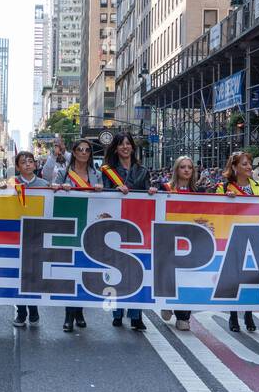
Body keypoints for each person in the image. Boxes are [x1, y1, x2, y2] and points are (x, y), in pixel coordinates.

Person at [46, 138, 103, 332]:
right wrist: (59, 188)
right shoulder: (63, 172)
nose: (84, 153)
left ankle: (78, 311)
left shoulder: (96, 174)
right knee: (70, 271)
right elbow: (50, 187)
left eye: (87, 150)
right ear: (74, 152)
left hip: (90, 228)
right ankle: (69, 315)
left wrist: (101, 192)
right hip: (69, 226)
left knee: (83, 271)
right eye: (80, 149)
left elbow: (106, 198)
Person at [102, 133, 155, 332]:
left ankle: (136, 315)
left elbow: (149, 191)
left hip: (138, 224)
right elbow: (105, 196)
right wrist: (115, 190)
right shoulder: (107, 171)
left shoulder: (143, 170)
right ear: (115, 148)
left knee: (137, 270)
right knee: (116, 269)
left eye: (128, 144)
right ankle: (117, 313)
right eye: (121, 144)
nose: (125, 147)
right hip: (115, 223)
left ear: (132, 147)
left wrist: (152, 191)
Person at [216, 151, 259, 334]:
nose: (248, 167)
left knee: (252, 277)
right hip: (232, 237)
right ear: (234, 167)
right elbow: (215, 211)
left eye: (249, 163)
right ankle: (233, 314)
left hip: (255, 236)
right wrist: (224, 201)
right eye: (244, 164)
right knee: (234, 278)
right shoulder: (223, 187)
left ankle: (249, 313)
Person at [8, 151, 49, 327]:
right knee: (18, 276)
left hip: (37, 235)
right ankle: (21, 311)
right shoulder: (11, 183)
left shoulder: (45, 184)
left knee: (33, 275)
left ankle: (33, 308)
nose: (27, 164)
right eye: (23, 162)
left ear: (35, 164)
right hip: (16, 235)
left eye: (30, 161)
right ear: (17, 167)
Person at [160, 155, 198, 330]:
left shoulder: (200, 192)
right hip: (169, 240)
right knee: (170, 277)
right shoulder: (165, 188)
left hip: (192, 241)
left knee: (188, 279)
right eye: (183, 167)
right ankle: (167, 302)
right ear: (176, 169)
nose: (187, 170)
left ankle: (184, 317)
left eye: (189, 167)